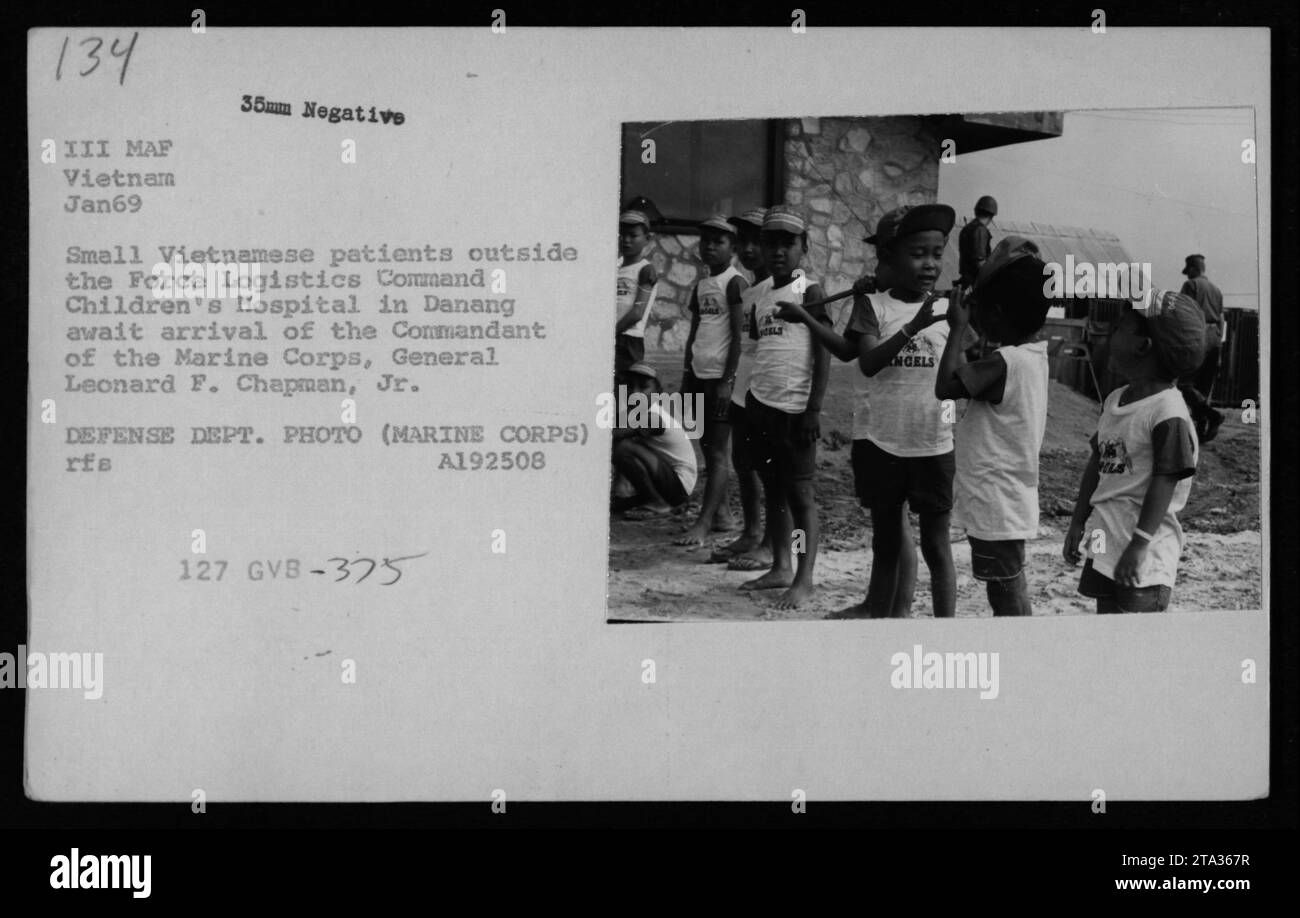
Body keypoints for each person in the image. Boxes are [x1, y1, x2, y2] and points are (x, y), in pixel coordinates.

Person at [775, 208, 926, 617]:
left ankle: (891, 609)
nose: (878, 267)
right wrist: (808, 316)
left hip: (893, 431)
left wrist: (809, 314)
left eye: (885, 258)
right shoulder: (875, 300)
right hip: (883, 426)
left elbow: (861, 360)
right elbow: (846, 350)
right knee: (894, 528)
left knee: (896, 528)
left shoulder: (901, 304)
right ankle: (890, 608)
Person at [840, 204, 960, 618]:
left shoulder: (950, 310)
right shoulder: (874, 306)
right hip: (882, 443)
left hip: (933, 444)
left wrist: (956, 322)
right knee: (887, 540)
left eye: (937, 253)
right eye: (918, 254)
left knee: (937, 546)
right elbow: (868, 363)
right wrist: (914, 326)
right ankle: (883, 616)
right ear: (890, 257)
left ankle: (945, 629)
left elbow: (961, 371)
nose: (930, 264)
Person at [1063, 290, 1203, 613]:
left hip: (1145, 557)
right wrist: (1077, 522)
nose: (1112, 330)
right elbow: (1098, 461)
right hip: (1107, 544)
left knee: (1137, 648)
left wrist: (1140, 543)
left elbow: (1165, 480)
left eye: (1121, 326)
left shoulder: (1167, 413)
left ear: (1143, 346)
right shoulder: (1115, 400)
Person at [936, 236, 1052, 616]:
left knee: (1004, 590)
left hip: (995, 500)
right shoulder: (1032, 356)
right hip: (1007, 496)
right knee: (1007, 582)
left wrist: (956, 328)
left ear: (998, 314)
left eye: (981, 307)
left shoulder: (1003, 362)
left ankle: (1020, 650)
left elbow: (945, 387)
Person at [741, 205, 829, 610]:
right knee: (772, 489)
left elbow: (824, 353)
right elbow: (761, 348)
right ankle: (779, 565)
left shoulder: (809, 291)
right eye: (771, 243)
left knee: (800, 495)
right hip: (761, 405)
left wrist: (813, 409)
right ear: (761, 247)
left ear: (803, 248)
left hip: (795, 410)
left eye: (788, 244)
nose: (779, 251)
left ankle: (803, 577)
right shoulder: (758, 294)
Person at [677, 215, 748, 546]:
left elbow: (738, 336)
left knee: (718, 452)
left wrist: (728, 379)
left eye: (718, 242)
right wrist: (686, 375)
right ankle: (722, 514)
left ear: (732, 249)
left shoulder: (735, 283)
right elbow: (695, 333)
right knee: (705, 447)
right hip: (698, 374)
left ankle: (704, 523)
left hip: (720, 377)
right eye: (705, 240)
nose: (710, 246)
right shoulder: (702, 285)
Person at [712, 208, 775, 570]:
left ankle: (770, 544)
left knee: (770, 470)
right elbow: (743, 344)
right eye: (744, 242)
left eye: (757, 242)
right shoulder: (750, 290)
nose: (749, 250)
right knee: (743, 462)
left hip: (769, 393)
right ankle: (751, 532)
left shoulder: (786, 288)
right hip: (744, 389)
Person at [612, 363, 698, 518]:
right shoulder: (634, 413)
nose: (635, 393)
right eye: (630, 386)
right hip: (666, 478)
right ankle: (647, 498)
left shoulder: (654, 417)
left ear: (658, 392)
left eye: (643, 388)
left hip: (678, 486)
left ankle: (656, 502)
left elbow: (612, 436)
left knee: (621, 447)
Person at [1178, 254, 1226, 442]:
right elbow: (1221, 318)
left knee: (1183, 384)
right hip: (1215, 337)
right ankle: (1201, 427)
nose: (1187, 275)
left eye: (1188, 271)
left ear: (1193, 268)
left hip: (1198, 333)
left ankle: (1212, 415)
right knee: (1204, 386)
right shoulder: (1217, 290)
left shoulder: (1191, 286)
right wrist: (1219, 341)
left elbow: (1182, 312)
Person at [615, 210, 659, 379]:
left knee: (625, 392)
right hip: (613, 336)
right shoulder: (615, 268)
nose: (626, 240)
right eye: (622, 235)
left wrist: (611, 333)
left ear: (647, 239)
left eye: (633, 236)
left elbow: (637, 313)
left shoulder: (645, 270)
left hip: (628, 341)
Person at [957, 195, 997, 289]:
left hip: (967, 279)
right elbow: (980, 260)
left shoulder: (967, 228)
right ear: (991, 216)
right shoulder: (980, 230)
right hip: (975, 281)